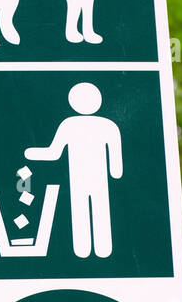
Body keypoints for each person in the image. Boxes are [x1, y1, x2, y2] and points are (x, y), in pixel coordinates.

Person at [24, 82, 122, 258]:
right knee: (89, 209)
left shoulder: (78, 125)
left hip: (87, 177)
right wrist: (32, 153)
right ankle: (93, 250)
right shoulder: (99, 125)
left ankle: (93, 250)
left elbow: (53, 153)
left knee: (87, 209)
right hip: (82, 177)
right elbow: (54, 153)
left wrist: (32, 153)